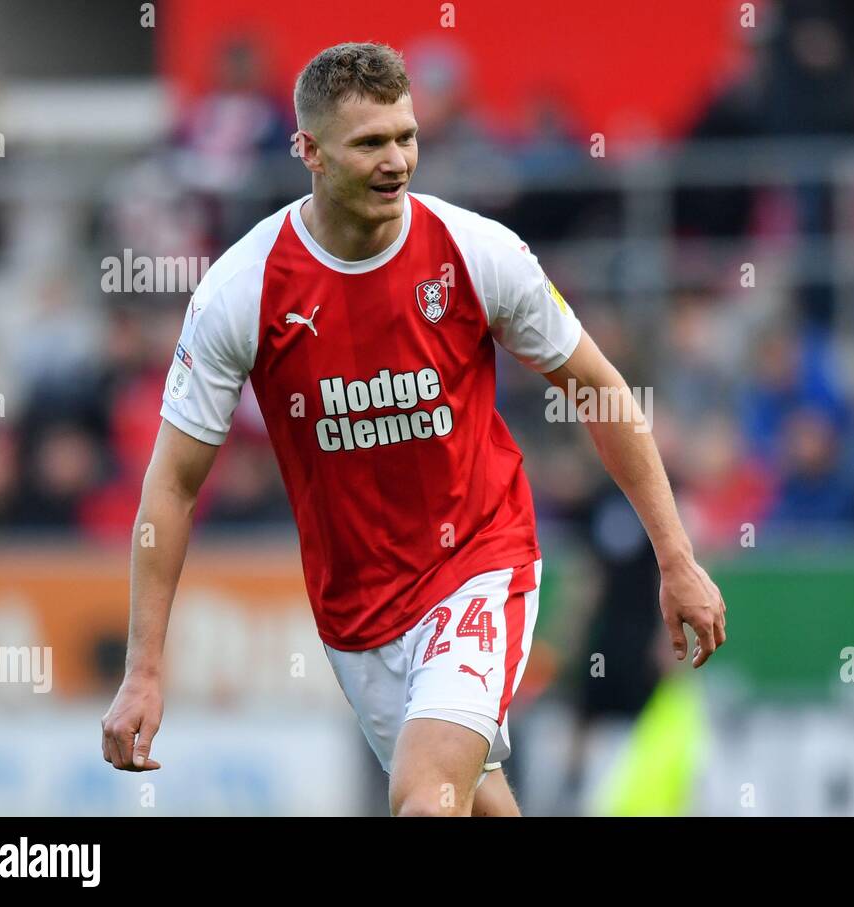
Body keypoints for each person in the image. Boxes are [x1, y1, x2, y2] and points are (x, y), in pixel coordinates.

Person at [100, 42, 726, 817]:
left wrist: (676, 556)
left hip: (477, 561)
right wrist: (144, 668)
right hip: (356, 610)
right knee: (479, 804)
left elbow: (599, 389)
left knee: (426, 802)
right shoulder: (242, 289)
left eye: (406, 136)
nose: (396, 160)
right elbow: (172, 483)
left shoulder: (477, 252)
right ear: (310, 153)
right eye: (370, 143)